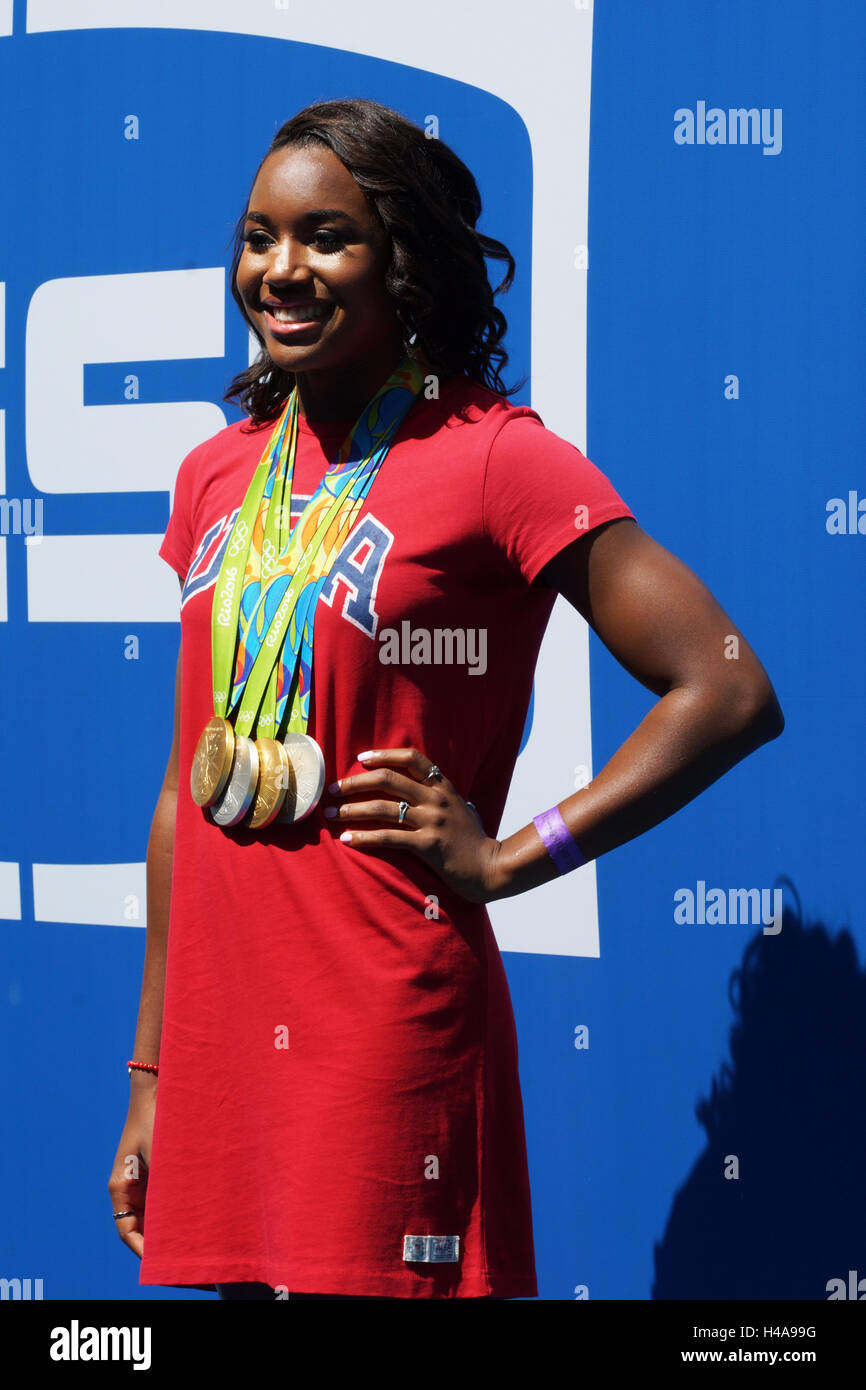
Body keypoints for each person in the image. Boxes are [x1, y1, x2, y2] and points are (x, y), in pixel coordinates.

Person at [107, 98, 784, 1301]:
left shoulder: (490, 455)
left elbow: (724, 686)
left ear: (403, 260)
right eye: (257, 237)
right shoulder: (216, 470)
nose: (279, 270)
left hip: (378, 1024)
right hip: (221, 1039)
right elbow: (179, 795)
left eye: (325, 236)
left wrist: (516, 856)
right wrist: (153, 1072)